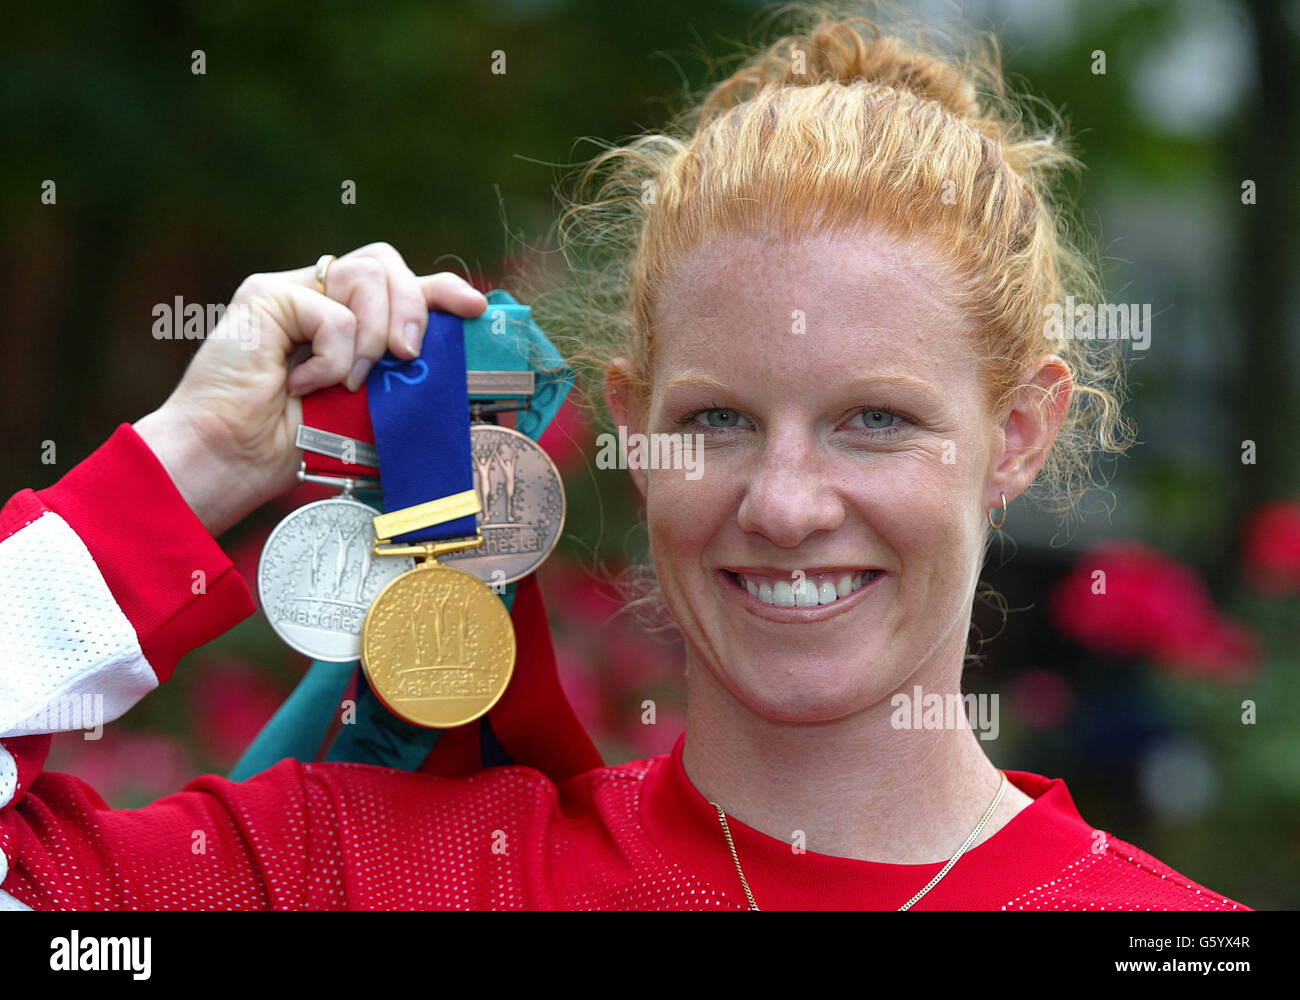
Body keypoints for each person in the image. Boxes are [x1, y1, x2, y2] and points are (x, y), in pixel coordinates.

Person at [0, 4, 1250, 910]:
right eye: (717, 421)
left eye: (875, 419)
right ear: (633, 428)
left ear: (1017, 434)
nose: (786, 502)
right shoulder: (387, 873)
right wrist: (186, 464)